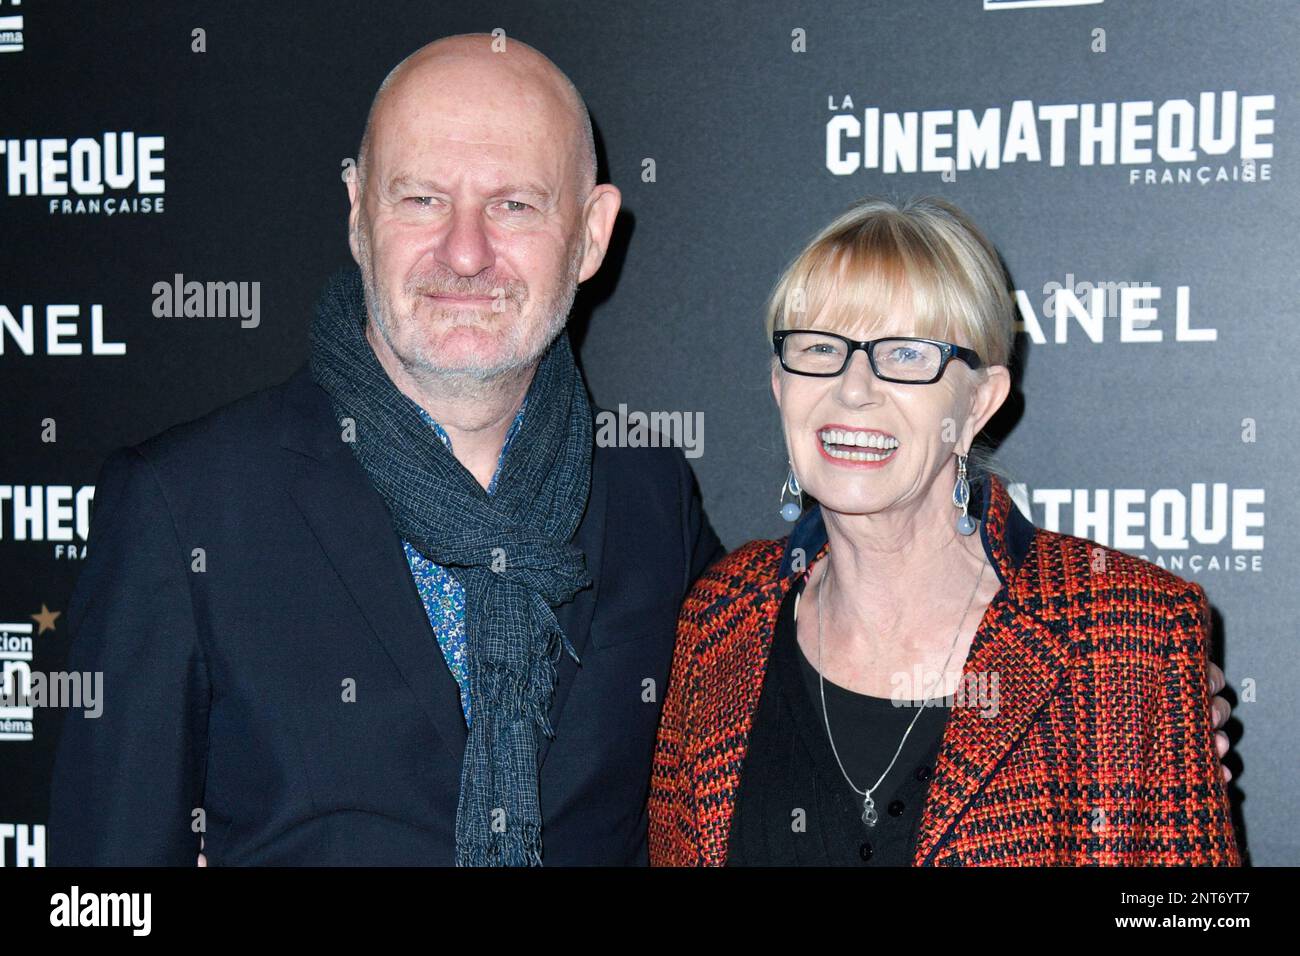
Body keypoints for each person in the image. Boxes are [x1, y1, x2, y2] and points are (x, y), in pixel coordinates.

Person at [47, 34, 722, 866]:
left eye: (514, 204)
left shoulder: (653, 496)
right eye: (421, 200)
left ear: (590, 234)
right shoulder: (184, 506)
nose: (466, 253)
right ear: (359, 212)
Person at [648, 196, 1240, 866]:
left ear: (980, 400)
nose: (853, 388)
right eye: (819, 348)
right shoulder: (719, 616)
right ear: (780, 384)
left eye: (906, 354)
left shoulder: (1130, 633)